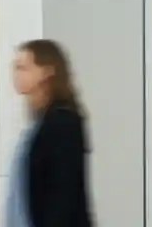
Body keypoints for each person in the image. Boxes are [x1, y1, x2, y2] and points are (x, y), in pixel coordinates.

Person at [6, 39, 94, 227]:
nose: (16, 74)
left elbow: (63, 195)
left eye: (24, 68)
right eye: (16, 67)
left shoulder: (63, 123)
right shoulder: (38, 125)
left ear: (47, 72)